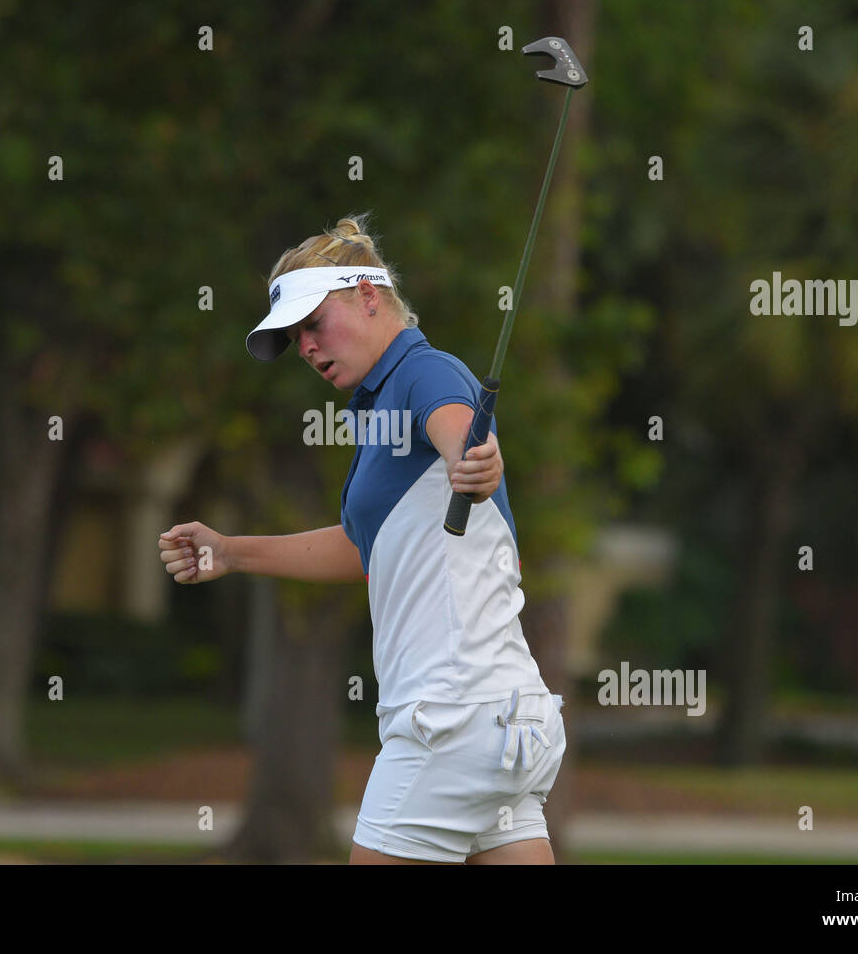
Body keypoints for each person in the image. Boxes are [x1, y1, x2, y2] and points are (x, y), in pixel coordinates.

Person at [158, 213, 565, 864]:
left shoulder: (422, 374)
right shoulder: (379, 410)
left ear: (368, 296)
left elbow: (465, 440)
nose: (309, 348)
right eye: (296, 339)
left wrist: (480, 461)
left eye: (314, 325)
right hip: (510, 718)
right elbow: (360, 547)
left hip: (450, 717)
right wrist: (231, 551)